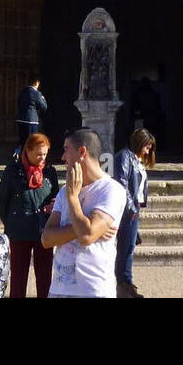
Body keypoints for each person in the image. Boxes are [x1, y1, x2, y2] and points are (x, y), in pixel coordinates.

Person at [41, 128, 126, 299]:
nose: (63, 158)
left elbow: (86, 236)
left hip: (93, 290)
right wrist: (84, 227)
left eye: (66, 149)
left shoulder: (111, 190)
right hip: (59, 290)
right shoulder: (65, 190)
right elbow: (46, 239)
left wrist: (73, 198)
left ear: (82, 152)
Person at [0, 130, 59, 298]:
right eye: (38, 154)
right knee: (18, 276)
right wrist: (11, 222)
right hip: (19, 231)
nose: (42, 158)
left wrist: (52, 208)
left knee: (45, 276)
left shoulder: (50, 172)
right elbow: (2, 203)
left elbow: (56, 198)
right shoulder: (12, 171)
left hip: (44, 230)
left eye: (45, 154)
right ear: (28, 151)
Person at [114, 127, 156, 299]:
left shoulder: (137, 160)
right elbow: (122, 183)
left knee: (130, 247)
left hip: (134, 208)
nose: (149, 150)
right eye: (147, 146)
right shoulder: (125, 157)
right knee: (126, 248)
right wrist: (131, 208)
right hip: (127, 209)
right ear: (139, 143)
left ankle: (127, 284)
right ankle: (123, 286)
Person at [15, 76, 48, 149]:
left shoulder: (22, 92)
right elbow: (43, 107)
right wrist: (43, 99)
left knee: (22, 141)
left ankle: (19, 155)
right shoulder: (36, 93)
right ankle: (29, 158)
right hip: (31, 121)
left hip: (20, 119)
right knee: (32, 141)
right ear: (37, 83)